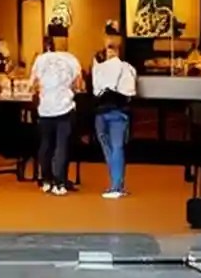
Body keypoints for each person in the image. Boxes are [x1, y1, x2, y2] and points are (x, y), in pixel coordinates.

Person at [30, 26, 82, 196]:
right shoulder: (71, 59)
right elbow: (78, 84)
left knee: (45, 145)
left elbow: (33, 85)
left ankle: (46, 180)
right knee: (62, 146)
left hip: (45, 109)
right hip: (64, 107)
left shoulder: (40, 59)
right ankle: (60, 182)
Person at [91, 25, 136, 198]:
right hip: (119, 112)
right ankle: (117, 184)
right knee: (118, 147)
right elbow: (130, 91)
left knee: (107, 147)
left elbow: (96, 90)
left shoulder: (99, 68)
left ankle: (115, 182)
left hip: (101, 112)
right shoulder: (128, 68)